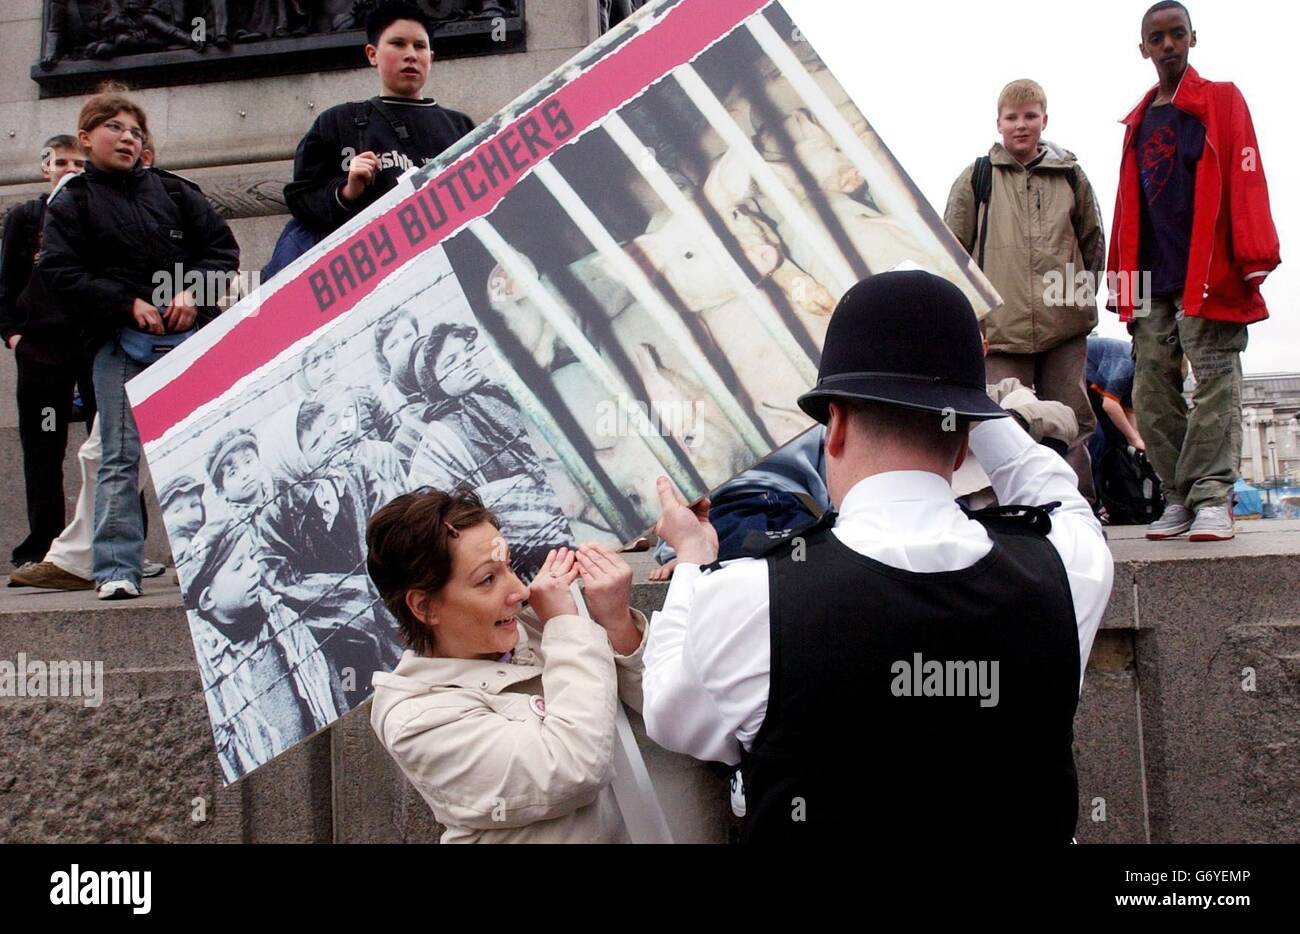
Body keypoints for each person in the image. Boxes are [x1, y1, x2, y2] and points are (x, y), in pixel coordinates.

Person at [643, 271, 1114, 843]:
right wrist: (967, 399)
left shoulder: (751, 597)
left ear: (833, 427)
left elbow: (669, 713)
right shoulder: (1065, 571)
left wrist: (693, 559)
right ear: (966, 439)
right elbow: (1055, 493)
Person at [36, 86, 239, 599]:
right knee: (120, 457)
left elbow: (221, 251)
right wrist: (125, 304)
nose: (128, 138)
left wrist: (191, 291)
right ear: (85, 138)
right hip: (117, 345)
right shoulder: (72, 203)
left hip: (188, 340)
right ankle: (115, 569)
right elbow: (60, 272)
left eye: (135, 131)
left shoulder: (175, 192)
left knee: (200, 453)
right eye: (115, 128)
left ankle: (206, 562)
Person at [366, 486, 647, 843]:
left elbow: (659, 713)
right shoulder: (418, 719)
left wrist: (617, 622)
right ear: (425, 607)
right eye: (487, 579)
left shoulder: (540, 631)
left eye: (509, 565)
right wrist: (567, 626)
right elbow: (574, 768)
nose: (519, 591)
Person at [1106, 1, 1280, 542]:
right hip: (1153, 277)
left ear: (1192, 38)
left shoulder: (1221, 101)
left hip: (1208, 271)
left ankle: (1212, 495)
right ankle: (1179, 496)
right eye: (1156, 38)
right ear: (1143, 48)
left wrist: (1252, 255)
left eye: (1176, 34)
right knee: (1152, 388)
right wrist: (1121, 285)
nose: (1168, 46)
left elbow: (1248, 175)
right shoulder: (1137, 120)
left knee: (1215, 382)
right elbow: (1125, 208)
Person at [944, 78, 1106, 504]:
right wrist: (967, 322)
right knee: (1003, 421)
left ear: (1044, 120)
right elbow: (952, 253)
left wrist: (1079, 302)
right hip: (1000, 329)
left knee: (1071, 422)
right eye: (1012, 117)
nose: (1021, 125)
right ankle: (1009, 514)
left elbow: (1093, 243)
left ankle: (1080, 509)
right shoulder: (977, 178)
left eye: (1030, 116)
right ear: (998, 123)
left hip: (1064, 326)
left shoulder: (1071, 175)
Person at [281, 1, 475, 241]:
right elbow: (301, 199)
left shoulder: (461, 127)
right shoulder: (337, 122)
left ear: (431, 57)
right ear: (372, 54)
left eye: (420, 46)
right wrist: (346, 191)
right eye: (398, 44)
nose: (411, 55)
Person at [184, 518, 342, 783]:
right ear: (207, 598)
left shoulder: (280, 617)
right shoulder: (205, 661)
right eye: (238, 566)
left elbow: (324, 675)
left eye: (251, 557)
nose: (252, 569)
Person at [0, 135, 89, 570]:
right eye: (62, 161)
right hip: (42, 355)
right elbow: (8, 279)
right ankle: (43, 544)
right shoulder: (26, 217)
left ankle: (115, 542)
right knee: (44, 445)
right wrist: (14, 337)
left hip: (92, 349)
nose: (70, 169)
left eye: (78, 162)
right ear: (45, 166)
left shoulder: (95, 211)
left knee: (109, 446)